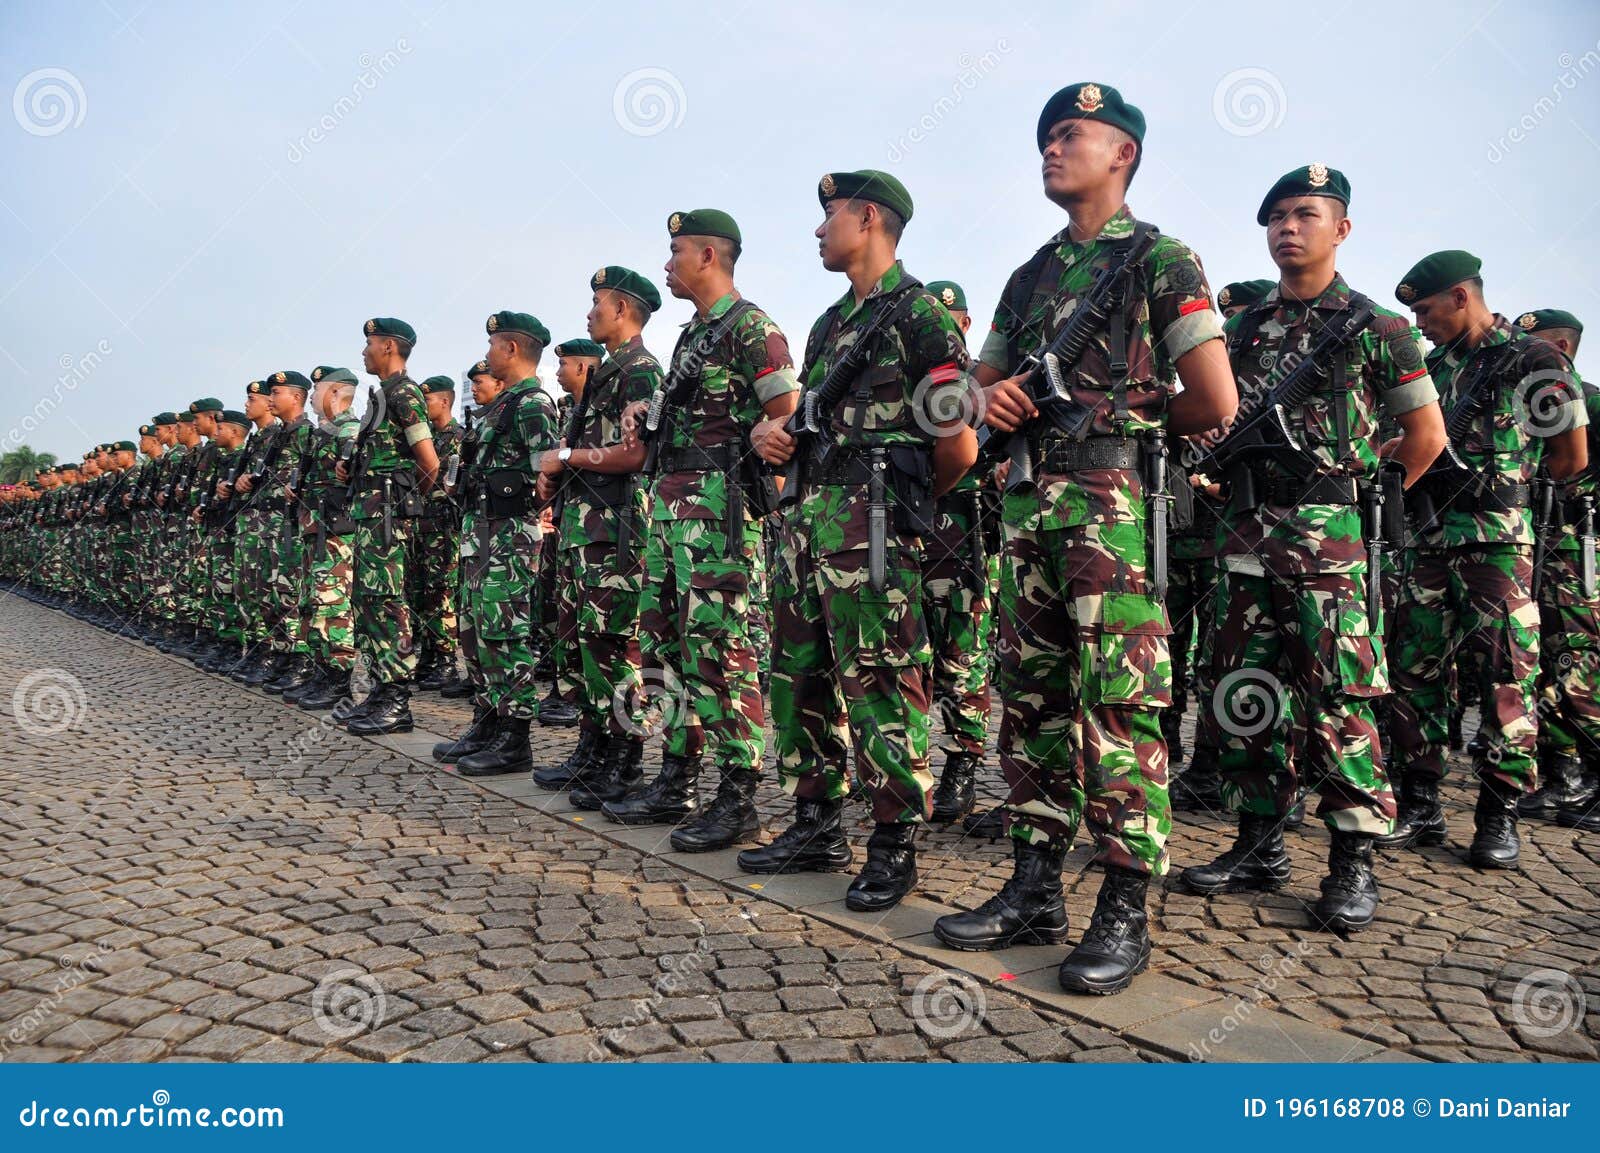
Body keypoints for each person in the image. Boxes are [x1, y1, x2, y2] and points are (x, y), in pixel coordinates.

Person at [930, 83, 1238, 993]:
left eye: (1072, 135)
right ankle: (1033, 883)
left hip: (1110, 505)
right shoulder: (1028, 274)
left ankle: (1123, 904)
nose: (1051, 150)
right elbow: (965, 395)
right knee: (1028, 696)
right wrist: (987, 401)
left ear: (1124, 155)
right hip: (1029, 507)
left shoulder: (1161, 260)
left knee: (1119, 700)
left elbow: (1214, 400)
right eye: (1046, 138)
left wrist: (1121, 417)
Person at [1178, 165, 1446, 934]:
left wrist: (1364, 491)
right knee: (1245, 693)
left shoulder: (1376, 326)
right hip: (1244, 536)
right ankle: (1258, 842)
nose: (1287, 228)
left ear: (1342, 229)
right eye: (1276, 218)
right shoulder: (1245, 327)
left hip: (1329, 540)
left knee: (1340, 697)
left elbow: (1425, 435)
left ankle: (1352, 858)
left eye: (1305, 214)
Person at [742, 170, 975, 911]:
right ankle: (814, 819)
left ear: (868, 217)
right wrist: (768, 438)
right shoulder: (827, 325)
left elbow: (959, 447)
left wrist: (902, 510)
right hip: (811, 525)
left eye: (829, 216)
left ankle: (893, 839)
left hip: (873, 531)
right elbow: (802, 419)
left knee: (879, 680)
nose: (818, 230)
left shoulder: (924, 318)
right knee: (800, 677)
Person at [1383, 252, 1588, 868]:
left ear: (1461, 298)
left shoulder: (1532, 360)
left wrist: (1508, 489)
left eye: (1425, 309)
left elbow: (1570, 456)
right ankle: (1420, 803)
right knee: (1413, 672)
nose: (1419, 324)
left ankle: (1497, 814)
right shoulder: (1435, 367)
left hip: (1496, 543)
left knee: (1505, 675)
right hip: (1428, 539)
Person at [605, 210, 799, 851]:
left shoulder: (752, 330)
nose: (667, 264)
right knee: (665, 648)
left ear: (710, 255)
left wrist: (758, 446)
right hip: (670, 510)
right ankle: (678, 776)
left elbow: (788, 418)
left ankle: (738, 794)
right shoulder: (692, 336)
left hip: (719, 513)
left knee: (721, 650)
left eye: (675, 251)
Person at [444, 312, 559, 775]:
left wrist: (537, 511)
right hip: (481, 533)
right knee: (475, 631)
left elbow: (547, 468)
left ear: (511, 349)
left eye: (493, 345)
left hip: (508, 537)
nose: (487, 354)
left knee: (504, 633)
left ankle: (515, 737)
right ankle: (487, 719)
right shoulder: (501, 405)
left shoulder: (532, 404)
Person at [340, 318, 441, 736]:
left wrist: (405, 505)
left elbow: (429, 461)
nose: (364, 351)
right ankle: (380, 692)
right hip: (369, 517)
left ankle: (397, 700)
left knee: (387, 604)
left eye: (369, 344)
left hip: (387, 521)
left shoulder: (404, 393)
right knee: (368, 603)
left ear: (389, 347)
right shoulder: (379, 397)